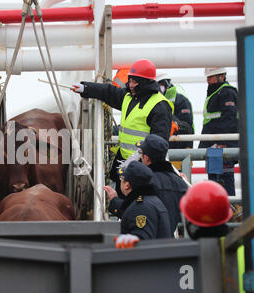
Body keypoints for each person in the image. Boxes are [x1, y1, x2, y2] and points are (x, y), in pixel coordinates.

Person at [72, 59, 174, 197]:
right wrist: (85, 88)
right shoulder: (129, 97)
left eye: (134, 82)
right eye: (130, 80)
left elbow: (159, 142)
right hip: (125, 162)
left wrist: (135, 158)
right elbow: (108, 92)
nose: (130, 85)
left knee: (138, 203)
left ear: (145, 83)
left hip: (145, 167)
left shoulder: (160, 105)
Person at [103, 161, 173, 249]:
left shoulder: (141, 207)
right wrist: (114, 200)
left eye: (121, 178)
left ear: (127, 185)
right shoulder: (151, 201)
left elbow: (141, 245)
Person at [137, 134, 188, 235]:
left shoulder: (143, 182)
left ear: (146, 158)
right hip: (168, 242)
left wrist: (114, 201)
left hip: (146, 243)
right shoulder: (180, 183)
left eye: (140, 153)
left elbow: (134, 212)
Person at [199, 67, 238, 196]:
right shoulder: (216, 92)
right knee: (215, 181)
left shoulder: (226, 92)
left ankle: (229, 211)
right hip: (214, 146)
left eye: (211, 77)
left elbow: (230, 119)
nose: (208, 80)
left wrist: (222, 142)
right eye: (208, 77)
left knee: (223, 181)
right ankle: (221, 211)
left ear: (221, 76)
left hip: (221, 146)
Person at [156, 73, 195, 149]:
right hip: (163, 146)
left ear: (166, 85)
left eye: (160, 86)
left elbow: (187, 127)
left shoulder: (181, 101)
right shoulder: (156, 101)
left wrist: (172, 120)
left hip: (181, 148)